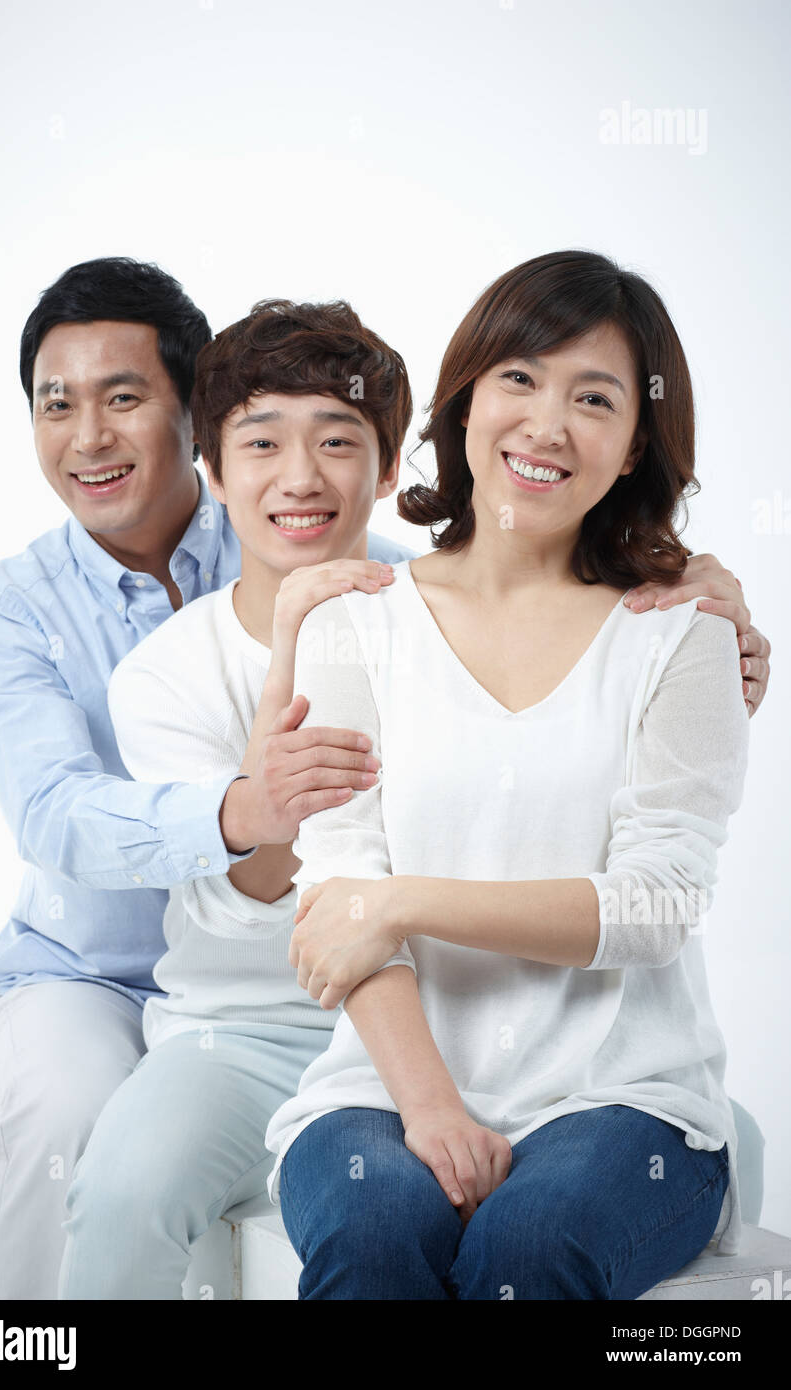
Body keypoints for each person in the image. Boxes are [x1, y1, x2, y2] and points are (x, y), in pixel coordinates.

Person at [265, 249, 756, 1300]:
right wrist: (432, 1107)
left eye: (592, 398)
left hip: (619, 1102)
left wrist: (398, 902)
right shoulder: (355, 624)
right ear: (465, 400)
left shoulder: (682, 636)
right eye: (518, 379)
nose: (545, 424)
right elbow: (334, 894)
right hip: (380, 1090)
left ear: (633, 447)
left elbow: (655, 904)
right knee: (374, 1231)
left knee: (528, 1251)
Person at [0, 260, 415, 1300]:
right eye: (54, 405)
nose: (86, 437)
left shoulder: (289, 531)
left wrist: (672, 594)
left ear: (189, 417)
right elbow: (54, 812)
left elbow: (455, 594)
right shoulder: (6, 614)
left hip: (273, 976)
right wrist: (240, 810)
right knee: (80, 1126)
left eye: (122, 398)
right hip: (97, 967)